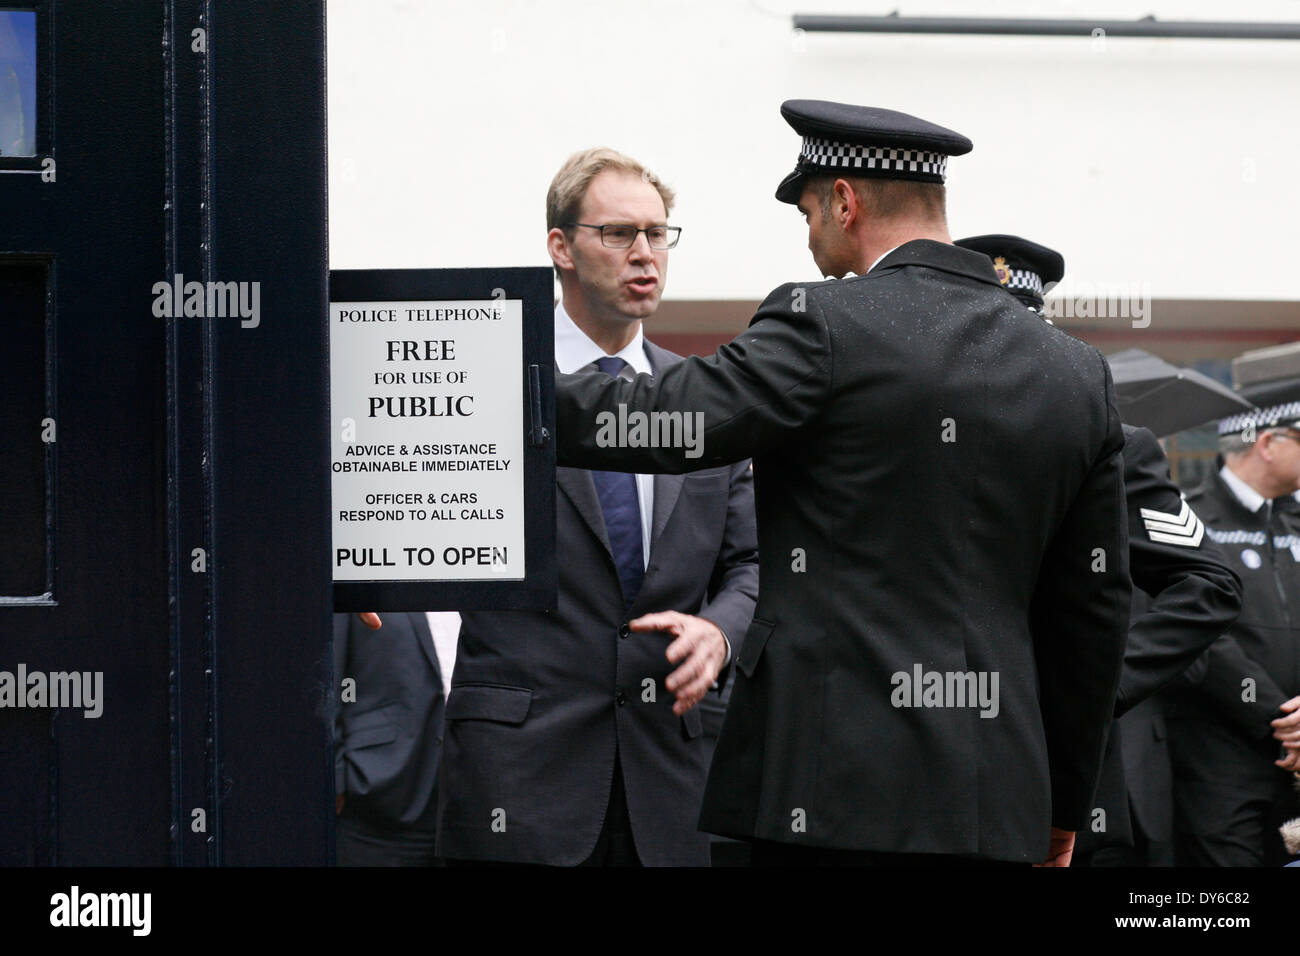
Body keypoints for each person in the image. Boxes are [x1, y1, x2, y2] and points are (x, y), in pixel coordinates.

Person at [553, 100, 1132, 866]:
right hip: (1000, 806)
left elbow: (665, 416)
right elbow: (1092, 616)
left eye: (807, 212)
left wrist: (494, 381)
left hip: (829, 798)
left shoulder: (824, 323)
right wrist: (1062, 804)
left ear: (844, 201)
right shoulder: (1077, 372)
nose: (810, 235)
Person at [408, 148, 759, 866]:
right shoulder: (484, 379)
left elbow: (753, 564)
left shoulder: (707, 399)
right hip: (520, 784)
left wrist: (720, 634)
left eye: (659, 235)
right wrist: (361, 569)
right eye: (619, 234)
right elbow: (405, 494)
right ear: (560, 247)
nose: (645, 254)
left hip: (673, 788)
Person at [956, 235, 1245, 867]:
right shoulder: (921, 435)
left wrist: (1098, 685)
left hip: (1063, 779)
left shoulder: (1117, 441)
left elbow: (1209, 584)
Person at [1162, 390, 1300, 865]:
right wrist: (1283, 720)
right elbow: (1198, 634)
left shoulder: (1296, 521)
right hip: (1221, 760)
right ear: (1268, 443)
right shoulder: (1189, 518)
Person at [333, 612, 451, 865]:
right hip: (377, 797)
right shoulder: (363, 574)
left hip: (467, 801)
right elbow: (327, 676)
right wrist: (333, 778)